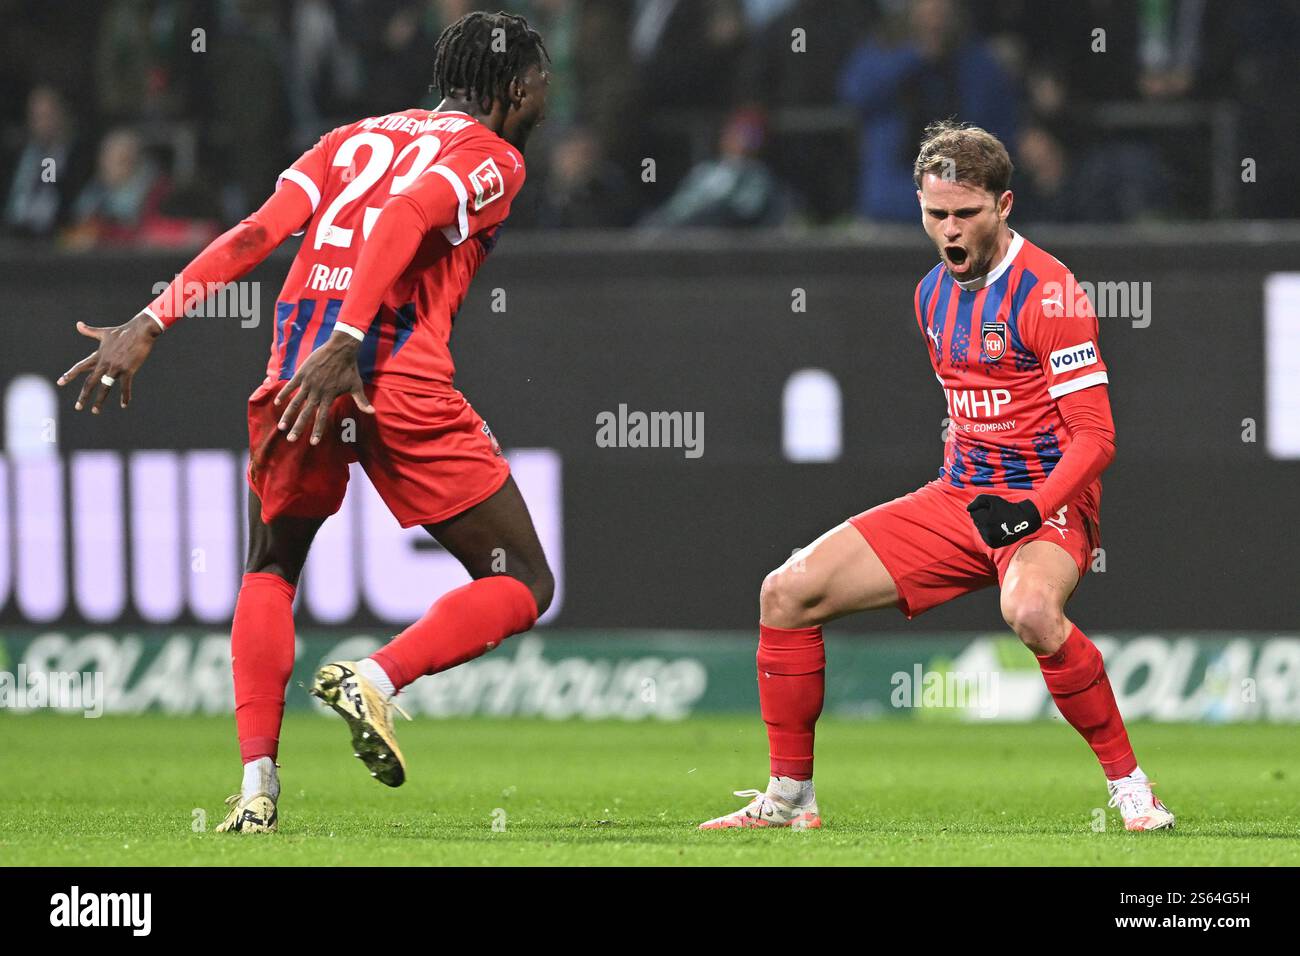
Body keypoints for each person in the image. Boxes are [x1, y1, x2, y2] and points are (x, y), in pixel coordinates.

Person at [57, 10, 555, 834]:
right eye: (541, 84)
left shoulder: (350, 138)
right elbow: (401, 220)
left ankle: (257, 789)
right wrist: (349, 342)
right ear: (511, 87)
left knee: (272, 567)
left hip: (294, 381)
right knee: (524, 579)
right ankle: (379, 679)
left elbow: (257, 232)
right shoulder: (494, 159)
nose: (547, 100)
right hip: (388, 378)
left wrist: (152, 322)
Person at [699, 120, 1174, 833]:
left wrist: (1032, 506)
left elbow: (1097, 437)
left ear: (1005, 206)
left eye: (966, 214)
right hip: (959, 500)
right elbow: (971, 409)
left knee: (1033, 614)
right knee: (786, 593)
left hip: (1046, 506)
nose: (950, 230)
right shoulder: (929, 295)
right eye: (936, 214)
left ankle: (1133, 788)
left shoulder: (1051, 293)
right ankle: (790, 795)